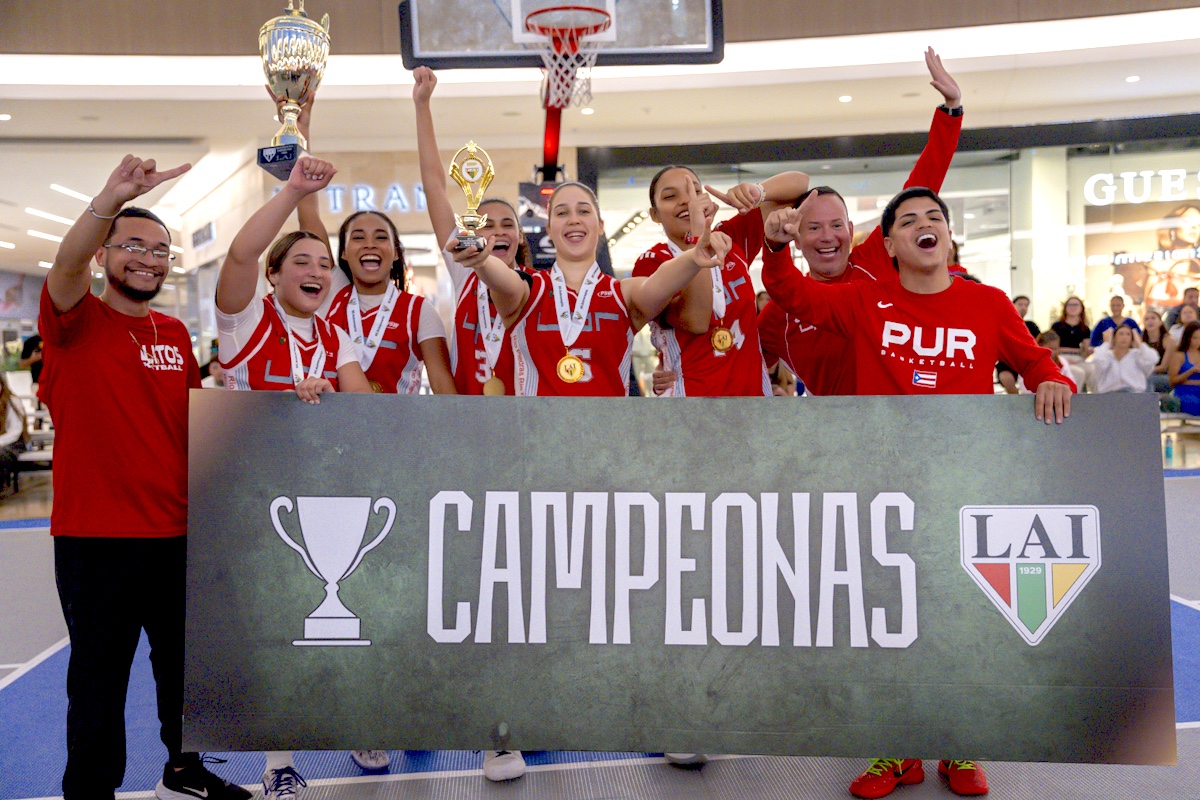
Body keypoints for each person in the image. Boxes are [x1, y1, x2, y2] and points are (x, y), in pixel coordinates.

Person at [763, 186, 1075, 798]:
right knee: (886, 617)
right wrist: (775, 247)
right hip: (880, 486)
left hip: (961, 483)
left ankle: (959, 743)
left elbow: (1034, 359)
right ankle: (894, 749)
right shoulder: (863, 299)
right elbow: (794, 293)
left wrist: (1052, 379)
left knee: (957, 618)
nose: (924, 226)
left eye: (935, 217)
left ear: (949, 236)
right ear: (888, 244)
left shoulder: (986, 303)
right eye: (908, 221)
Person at [37, 155, 249, 800]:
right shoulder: (73, 323)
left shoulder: (174, 332)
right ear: (103, 256)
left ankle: (184, 772)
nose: (149, 260)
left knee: (183, 674)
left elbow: (193, 424)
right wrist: (111, 196)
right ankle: (90, 791)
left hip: (177, 532)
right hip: (96, 538)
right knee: (98, 680)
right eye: (132, 246)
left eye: (161, 251)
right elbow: (65, 268)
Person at [216, 156, 371, 799]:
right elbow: (237, 256)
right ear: (274, 275)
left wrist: (333, 398)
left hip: (324, 497)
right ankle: (276, 761)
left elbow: (366, 410)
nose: (315, 271)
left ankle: (359, 722)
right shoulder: (245, 322)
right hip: (255, 500)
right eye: (299, 262)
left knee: (339, 622)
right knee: (275, 634)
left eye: (321, 263)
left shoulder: (337, 332)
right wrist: (294, 192)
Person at [755, 47, 963, 397]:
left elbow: (922, 184)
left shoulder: (875, 259)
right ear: (797, 238)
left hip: (910, 426)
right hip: (838, 443)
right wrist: (671, 371)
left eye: (836, 225)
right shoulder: (781, 312)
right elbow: (731, 354)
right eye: (814, 227)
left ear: (851, 231)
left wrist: (951, 109)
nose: (827, 237)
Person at [453, 182, 726, 396]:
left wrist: (692, 257)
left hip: (606, 451)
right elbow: (504, 278)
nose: (573, 219)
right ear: (549, 229)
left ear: (601, 226)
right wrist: (483, 260)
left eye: (584, 211)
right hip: (539, 453)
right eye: (562, 213)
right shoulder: (528, 290)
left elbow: (658, 282)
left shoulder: (624, 294)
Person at [635, 164, 808, 397]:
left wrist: (757, 191)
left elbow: (800, 183)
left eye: (695, 191)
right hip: (690, 410)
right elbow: (695, 322)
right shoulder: (653, 262)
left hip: (753, 404)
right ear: (655, 215)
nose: (687, 201)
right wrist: (698, 236)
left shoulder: (731, 238)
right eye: (670, 196)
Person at [413, 66, 531, 400]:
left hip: (523, 420)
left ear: (520, 236)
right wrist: (422, 105)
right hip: (466, 419)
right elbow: (434, 184)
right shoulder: (466, 276)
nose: (497, 233)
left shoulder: (540, 286)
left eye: (507, 224)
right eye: (486, 225)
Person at [1091, 326, 1158, 393]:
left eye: (1128, 334)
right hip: (1109, 396)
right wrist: (1106, 343)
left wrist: (1140, 343)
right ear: (1114, 338)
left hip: (1134, 396)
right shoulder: (1106, 355)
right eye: (1121, 334)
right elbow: (1098, 360)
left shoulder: (1137, 355)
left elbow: (1153, 359)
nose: (1124, 337)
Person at [996, 294, 1041, 394]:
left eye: (1026, 305)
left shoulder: (1031, 326)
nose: (1023, 308)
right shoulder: (1003, 323)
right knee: (1006, 378)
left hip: (1027, 360)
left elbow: (1040, 343)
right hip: (1007, 361)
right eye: (1020, 304)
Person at [1050, 296, 1090, 389]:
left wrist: (1084, 352)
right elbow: (1053, 347)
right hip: (1061, 357)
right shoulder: (1057, 326)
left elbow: (1085, 351)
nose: (1073, 307)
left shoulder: (1084, 328)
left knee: (1092, 370)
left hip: (1079, 359)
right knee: (1078, 373)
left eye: (1076, 305)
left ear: (1081, 308)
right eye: (1070, 305)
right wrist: (1076, 350)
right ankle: (1074, 399)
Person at [1167, 321, 1200, 415]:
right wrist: (1191, 371)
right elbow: (1173, 381)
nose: (1198, 342)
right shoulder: (1179, 355)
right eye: (1195, 338)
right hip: (1184, 393)